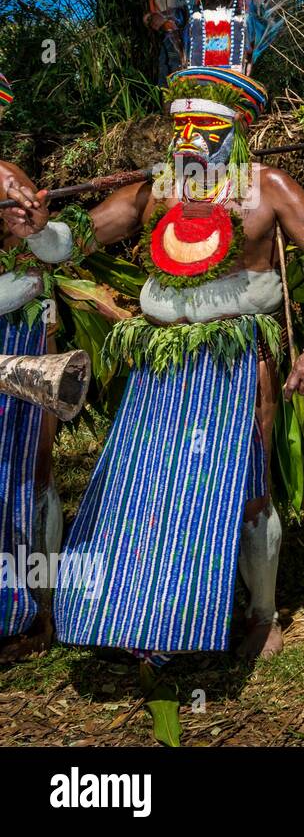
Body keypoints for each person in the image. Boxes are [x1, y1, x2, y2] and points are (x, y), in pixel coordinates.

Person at [48, 0, 304, 664]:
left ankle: (263, 613)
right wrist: (34, 228)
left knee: (244, 494)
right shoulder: (154, 189)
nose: (189, 144)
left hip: (236, 358)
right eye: (181, 129)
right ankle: (155, 610)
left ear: (236, 126)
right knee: (150, 483)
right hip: (160, 363)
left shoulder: (267, 188)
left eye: (205, 131)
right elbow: (76, 239)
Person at [0, 72, 95, 661]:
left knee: (27, 468)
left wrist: (34, 228)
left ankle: (39, 609)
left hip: (16, 330)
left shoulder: (9, 180)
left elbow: (53, 249)